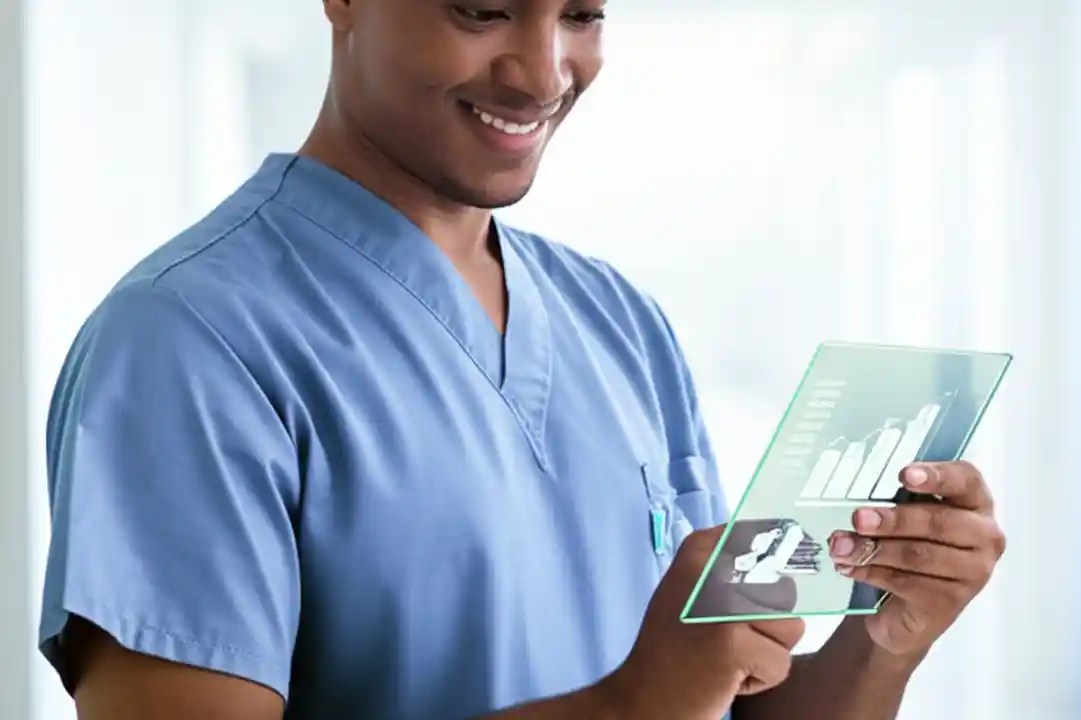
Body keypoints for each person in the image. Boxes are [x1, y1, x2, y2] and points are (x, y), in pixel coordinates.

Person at [36, 1, 1008, 718]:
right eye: (483, 11)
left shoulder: (621, 322)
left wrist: (881, 644)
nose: (541, 74)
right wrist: (624, 708)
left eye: (579, 15)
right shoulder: (186, 343)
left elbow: (726, 696)